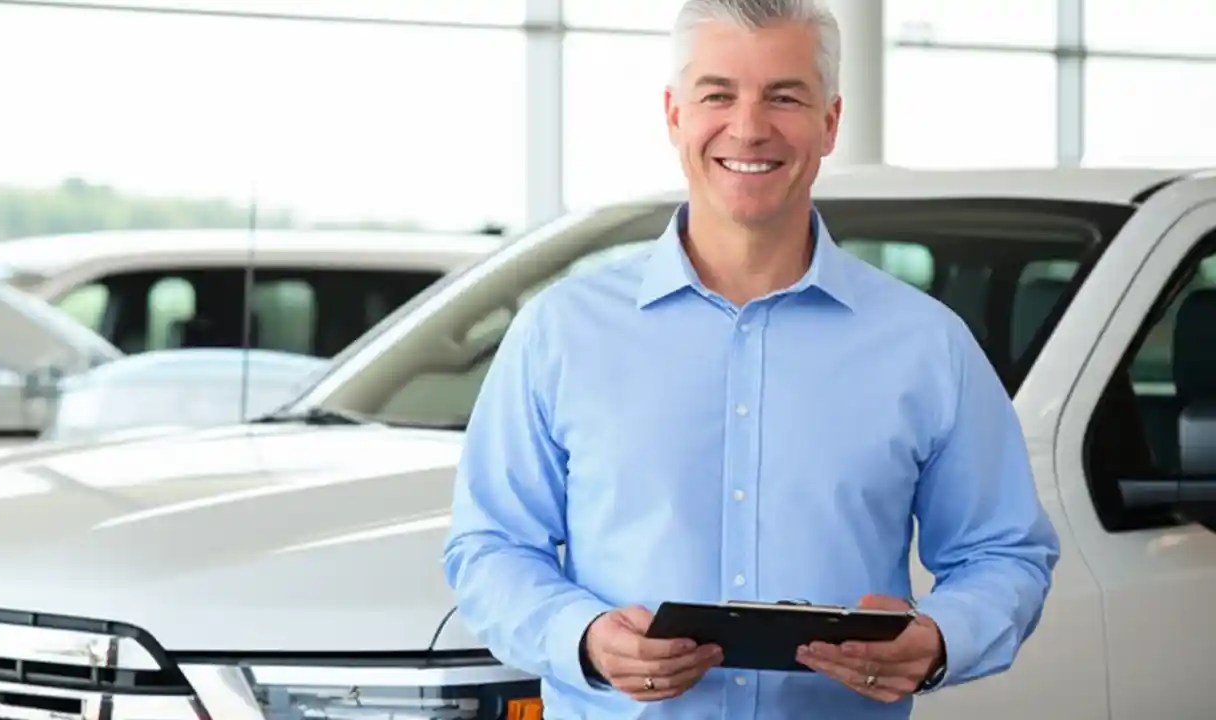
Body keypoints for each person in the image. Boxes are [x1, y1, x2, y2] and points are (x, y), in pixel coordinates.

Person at [441, 0, 1061, 717]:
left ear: (830, 122)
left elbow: (1005, 552)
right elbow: (490, 547)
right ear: (674, 114)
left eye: (784, 96)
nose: (748, 127)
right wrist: (579, 636)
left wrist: (944, 639)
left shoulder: (927, 345)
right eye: (717, 95)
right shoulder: (561, 333)